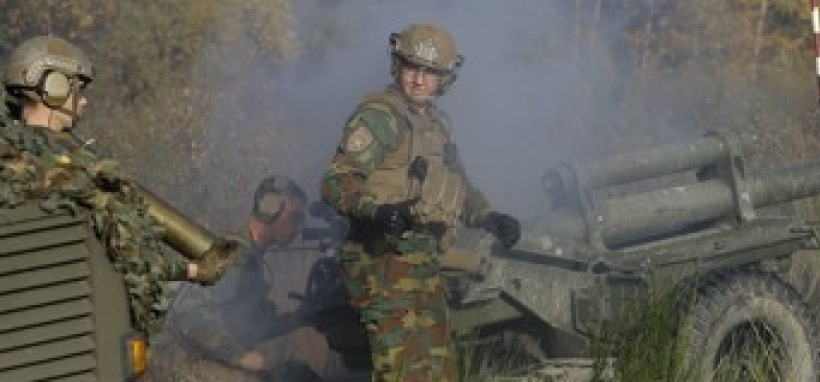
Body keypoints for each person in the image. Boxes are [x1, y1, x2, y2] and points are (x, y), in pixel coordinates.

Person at [322, 22, 521, 381]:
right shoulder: (379, 117)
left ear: (445, 78)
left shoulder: (436, 125)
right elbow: (336, 183)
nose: (418, 80)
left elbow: (460, 187)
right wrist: (378, 211)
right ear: (397, 65)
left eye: (430, 72)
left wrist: (490, 217)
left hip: (423, 262)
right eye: (412, 67)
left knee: (439, 371)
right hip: (380, 261)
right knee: (401, 372)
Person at [0, 35, 232, 335]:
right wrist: (194, 270)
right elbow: (129, 259)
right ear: (53, 88)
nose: (83, 101)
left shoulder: (14, 155)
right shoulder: (73, 174)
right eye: (77, 90)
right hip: (68, 325)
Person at [153, 176, 346, 382]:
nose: (298, 227)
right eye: (294, 217)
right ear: (271, 210)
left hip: (223, 352)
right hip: (195, 363)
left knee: (306, 341)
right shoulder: (236, 257)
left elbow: (252, 320)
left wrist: (297, 321)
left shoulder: (251, 257)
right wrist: (241, 358)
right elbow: (189, 313)